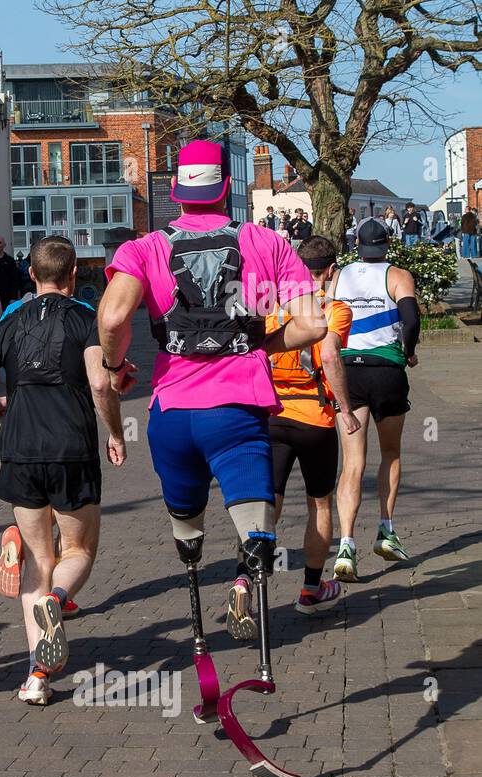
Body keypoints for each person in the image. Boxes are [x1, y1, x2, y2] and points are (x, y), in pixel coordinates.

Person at [96, 140, 326, 717]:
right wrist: (262, 342)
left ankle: (197, 590)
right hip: (239, 407)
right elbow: (314, 322)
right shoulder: (264, 242)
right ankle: (249, 576)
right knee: (255, 519)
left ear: (176, 192)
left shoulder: (145, 247)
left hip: (172, 412)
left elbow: (114, 316)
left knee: (187, 525)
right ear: (227, 188)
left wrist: (114, 365)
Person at [0, 236, 126, 705]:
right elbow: (99, 382)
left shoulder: (11, 321)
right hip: (70, 448)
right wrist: (115, 433)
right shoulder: (86, 320)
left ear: (31, 274)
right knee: (79, 550)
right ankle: (59, 599)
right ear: (74, 275)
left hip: (20, 449)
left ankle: (35, 677)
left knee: (36, 561)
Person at [266, 236, 361, 614]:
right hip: (315, 418)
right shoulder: (335, 309)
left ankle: (245, 575)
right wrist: (346, 408)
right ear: (331, 271)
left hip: (272, 416)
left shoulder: (271, 308)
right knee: (319, 504)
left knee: (265, 502)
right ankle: (310, 589)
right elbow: (331, 354)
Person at [333, 219, 421, 581]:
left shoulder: (339, 276)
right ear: (387, 245)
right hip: (386, 371)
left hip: (347, 370)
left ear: (357, 245)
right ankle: (386, 531)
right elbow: (411, 320)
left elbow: (326, 318)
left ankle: (345, 548)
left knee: (352, 462)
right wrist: (409, 351)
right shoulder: (398, 275)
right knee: (391, 454)